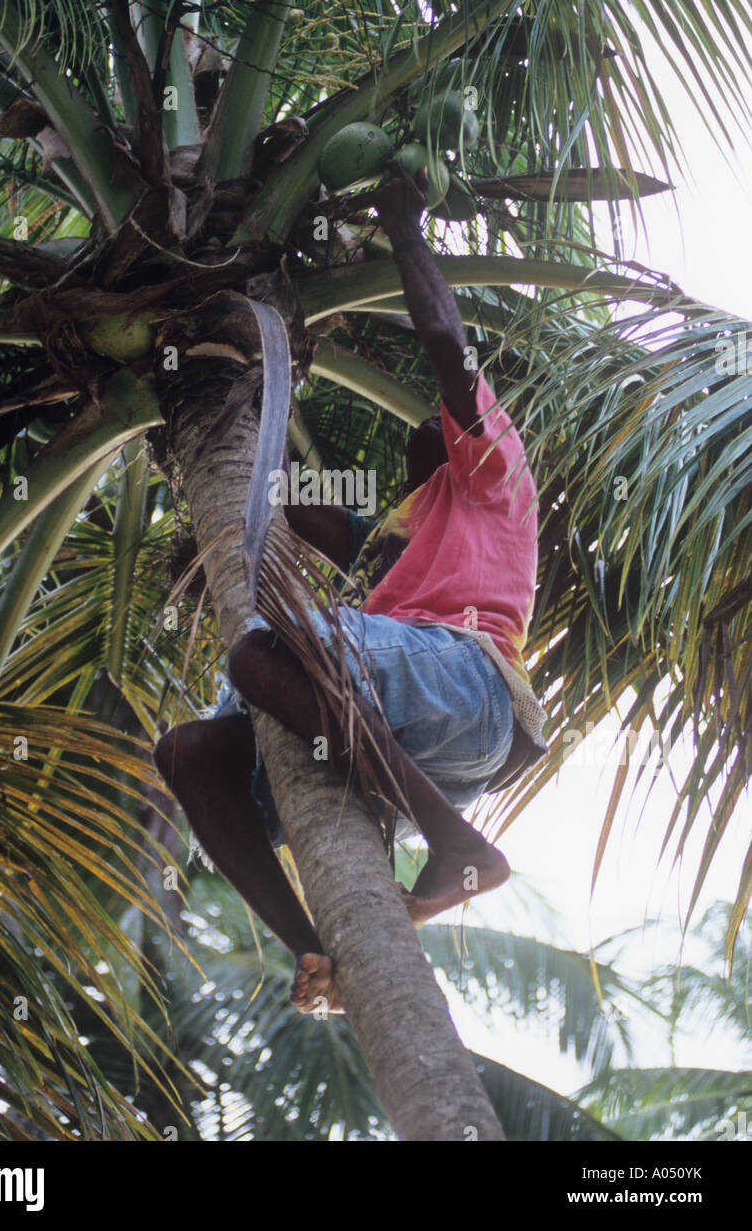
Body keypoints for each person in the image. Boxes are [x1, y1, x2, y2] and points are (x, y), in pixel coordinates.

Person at [154, 162, 546, 1015]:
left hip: (467, 685)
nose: (421, 433)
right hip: (415, 733)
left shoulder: (493, 475)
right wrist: (207, 428)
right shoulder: (396, 536)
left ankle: (454, 848)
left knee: (263, 653)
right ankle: (314, 947)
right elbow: (286, 506)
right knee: (188, 754)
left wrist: (403, 226)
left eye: (431, 430)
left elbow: (447, 347)